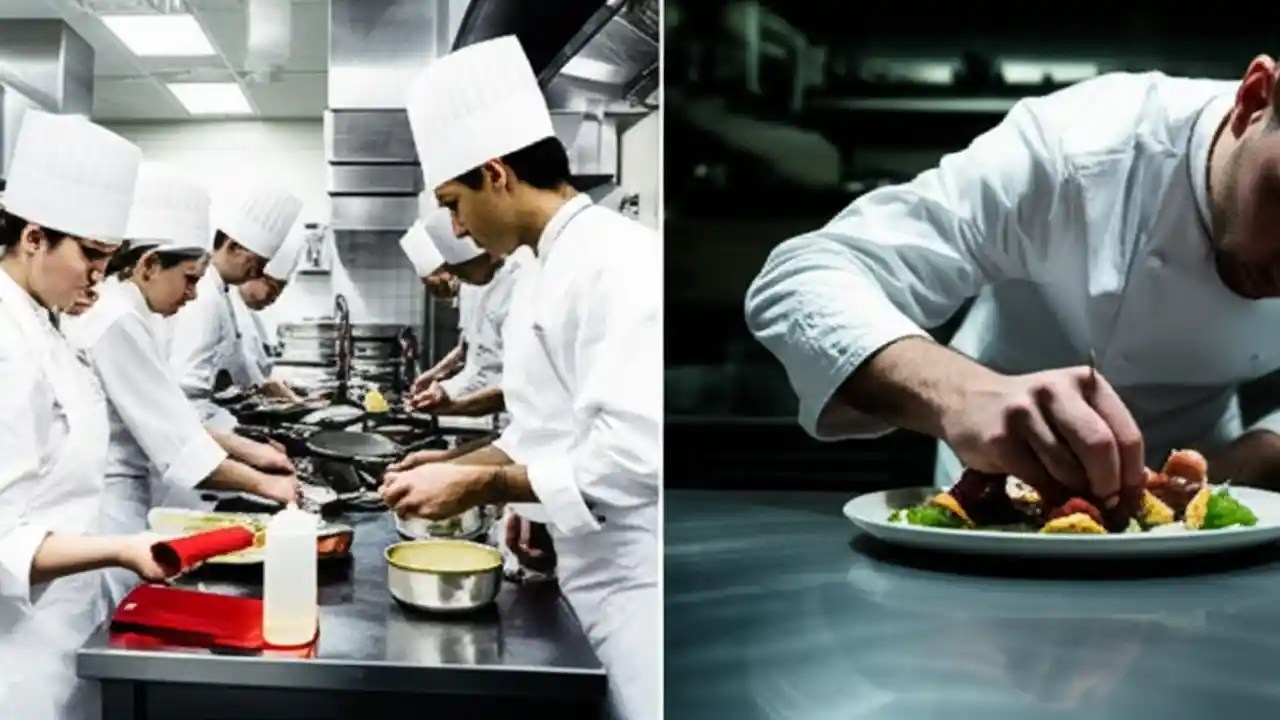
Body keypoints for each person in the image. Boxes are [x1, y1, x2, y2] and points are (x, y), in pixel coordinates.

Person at [743, 56, 1280, 509]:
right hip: (1005, 491)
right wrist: (964, 395)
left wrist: (1263, 451)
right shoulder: (1081, 150)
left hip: (1207, 492)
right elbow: (805, 274)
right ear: (1255, 98)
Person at [384, 36, 660, 720]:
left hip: (639, 592)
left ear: (497, 174)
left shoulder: (617, 261)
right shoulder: (540, 265)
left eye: (455, 202)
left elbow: (634, 457)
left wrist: (484, 485)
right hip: (577, 576)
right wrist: (456, 463)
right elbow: (540, 431)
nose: (456, 227)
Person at [65, 162, 301, 606]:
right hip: (108, 511)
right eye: (189, 279)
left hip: (123, 503)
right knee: (110, 617)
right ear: (150, 265)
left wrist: (254, 454)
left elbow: (168, 416)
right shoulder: (116, 319)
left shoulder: (132, 312)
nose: (194, 294)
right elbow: (177, 445)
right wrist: (268, 485)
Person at [0, 109, 169, 720]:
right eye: (91, 255)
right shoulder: (6, 340)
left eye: (109, 257)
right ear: (33, 238)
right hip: (17, 648)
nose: (100, 275)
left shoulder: (41, 319)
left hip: (63, 622)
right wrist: (121, 549)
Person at [166, 184, 303, 432]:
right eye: (256, 264)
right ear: (233, 247)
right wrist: (240, 436)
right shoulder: (204, 297)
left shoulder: (222, 292)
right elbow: (189, 396)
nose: (257, 273)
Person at [401, 207, 526, 415]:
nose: (457, 278)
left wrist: (454, 405)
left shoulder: (519, 283)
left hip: (505, 406)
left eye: (458, 270)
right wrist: (437, 379)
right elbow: (468, 344)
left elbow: (525, 383)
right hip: (477, 395)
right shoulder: (473, 284)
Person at [228, 223, 308, 401]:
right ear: (254, 274)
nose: (273, 298)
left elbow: (259, 376)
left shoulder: (251, 317)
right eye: (271, 289)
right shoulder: (221, 304)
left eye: (280, 292)